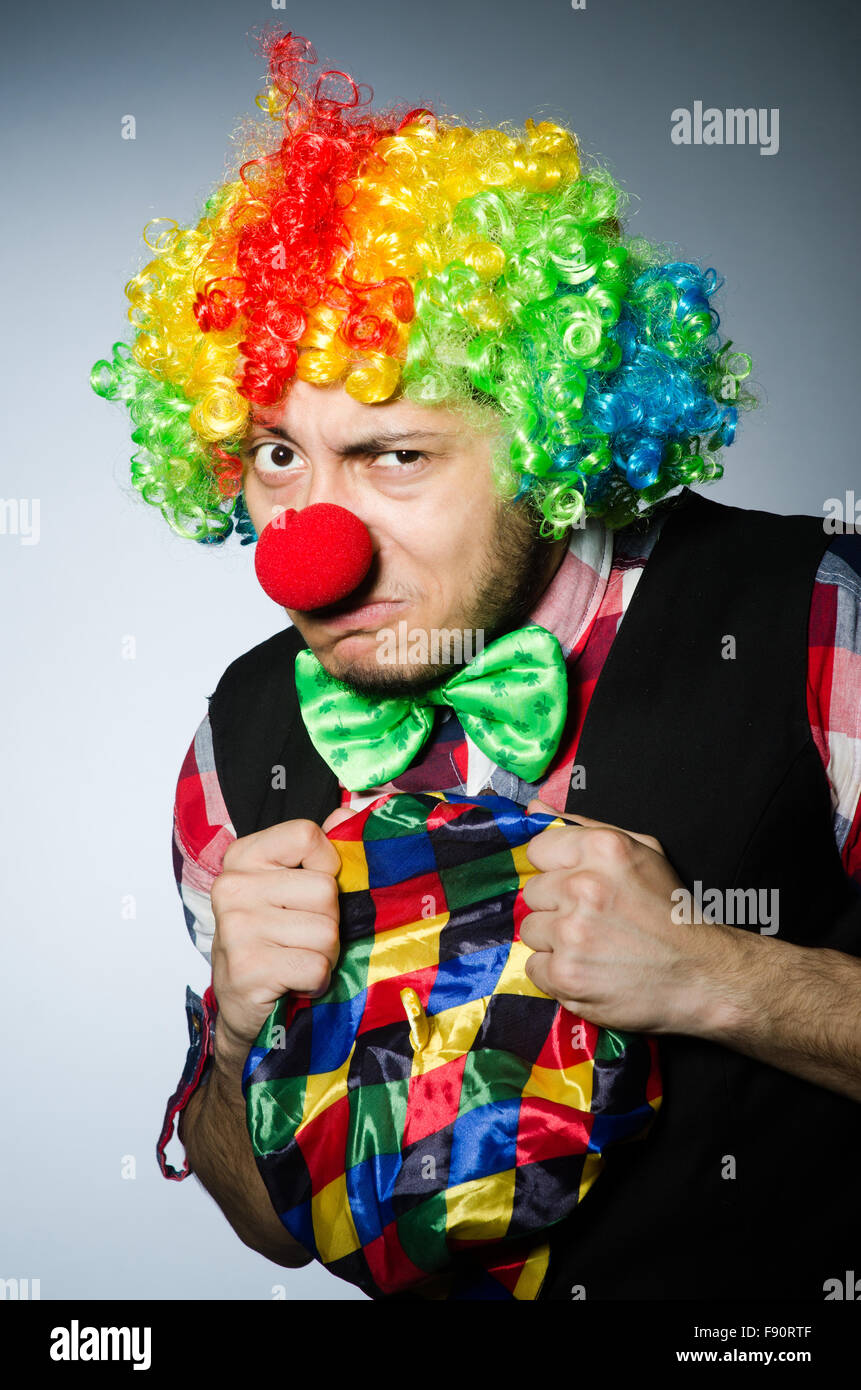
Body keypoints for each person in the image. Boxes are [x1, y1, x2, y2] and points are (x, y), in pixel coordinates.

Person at [91, 27, 861, 1300]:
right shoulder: (237, 742)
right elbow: (270, 1223)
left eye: (397, 455)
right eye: (280, 455)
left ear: (555, 445)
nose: (310, 552)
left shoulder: (807, 621)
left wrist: (722, 974)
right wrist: (234, 1037)